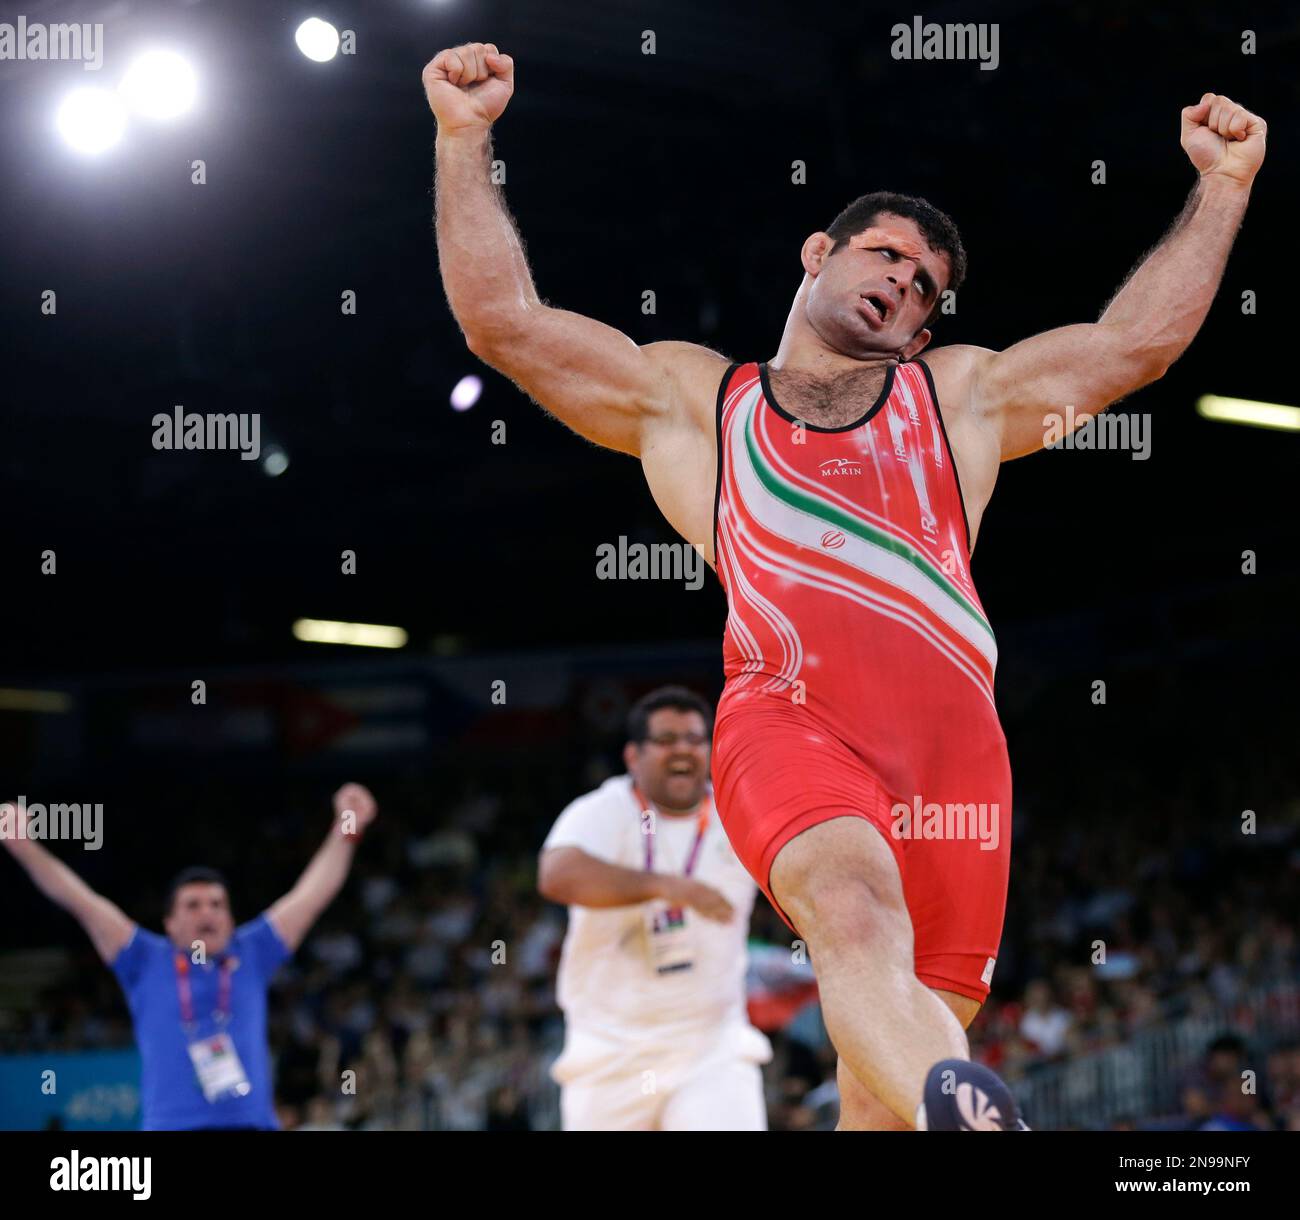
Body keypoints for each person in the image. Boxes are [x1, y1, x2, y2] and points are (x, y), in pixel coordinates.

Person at [423, 41, 1265, 1130]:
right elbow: (507, 324)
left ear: (925, 327)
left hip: (959, 758)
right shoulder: (695, 402)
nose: (899, 283)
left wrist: (1222, 186)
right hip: (791, 721)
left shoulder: (957, 398)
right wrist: (463, 139)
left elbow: (1132, 346)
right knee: (854, 919)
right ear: (817, 253)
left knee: (886, 1097)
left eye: (923, 287)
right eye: (883, 255)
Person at [1, 783, 377, 1129]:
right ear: (170, 923)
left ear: (230, 919)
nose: (207, 913)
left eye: (217, 904)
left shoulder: (252, 951)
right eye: (193, 905)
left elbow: (313, 894)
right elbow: (79, 899)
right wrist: (23, 845)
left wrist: (348, 825)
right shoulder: (143, 958)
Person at [538, 686, 772, 1130]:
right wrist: (669, 887)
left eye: (694, 739)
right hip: (610, 1053)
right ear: (633, 756)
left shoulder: (740, 813)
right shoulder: (602, 810)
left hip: (711, 1049)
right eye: (666, 740)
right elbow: (557, 875)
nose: (681, 750)